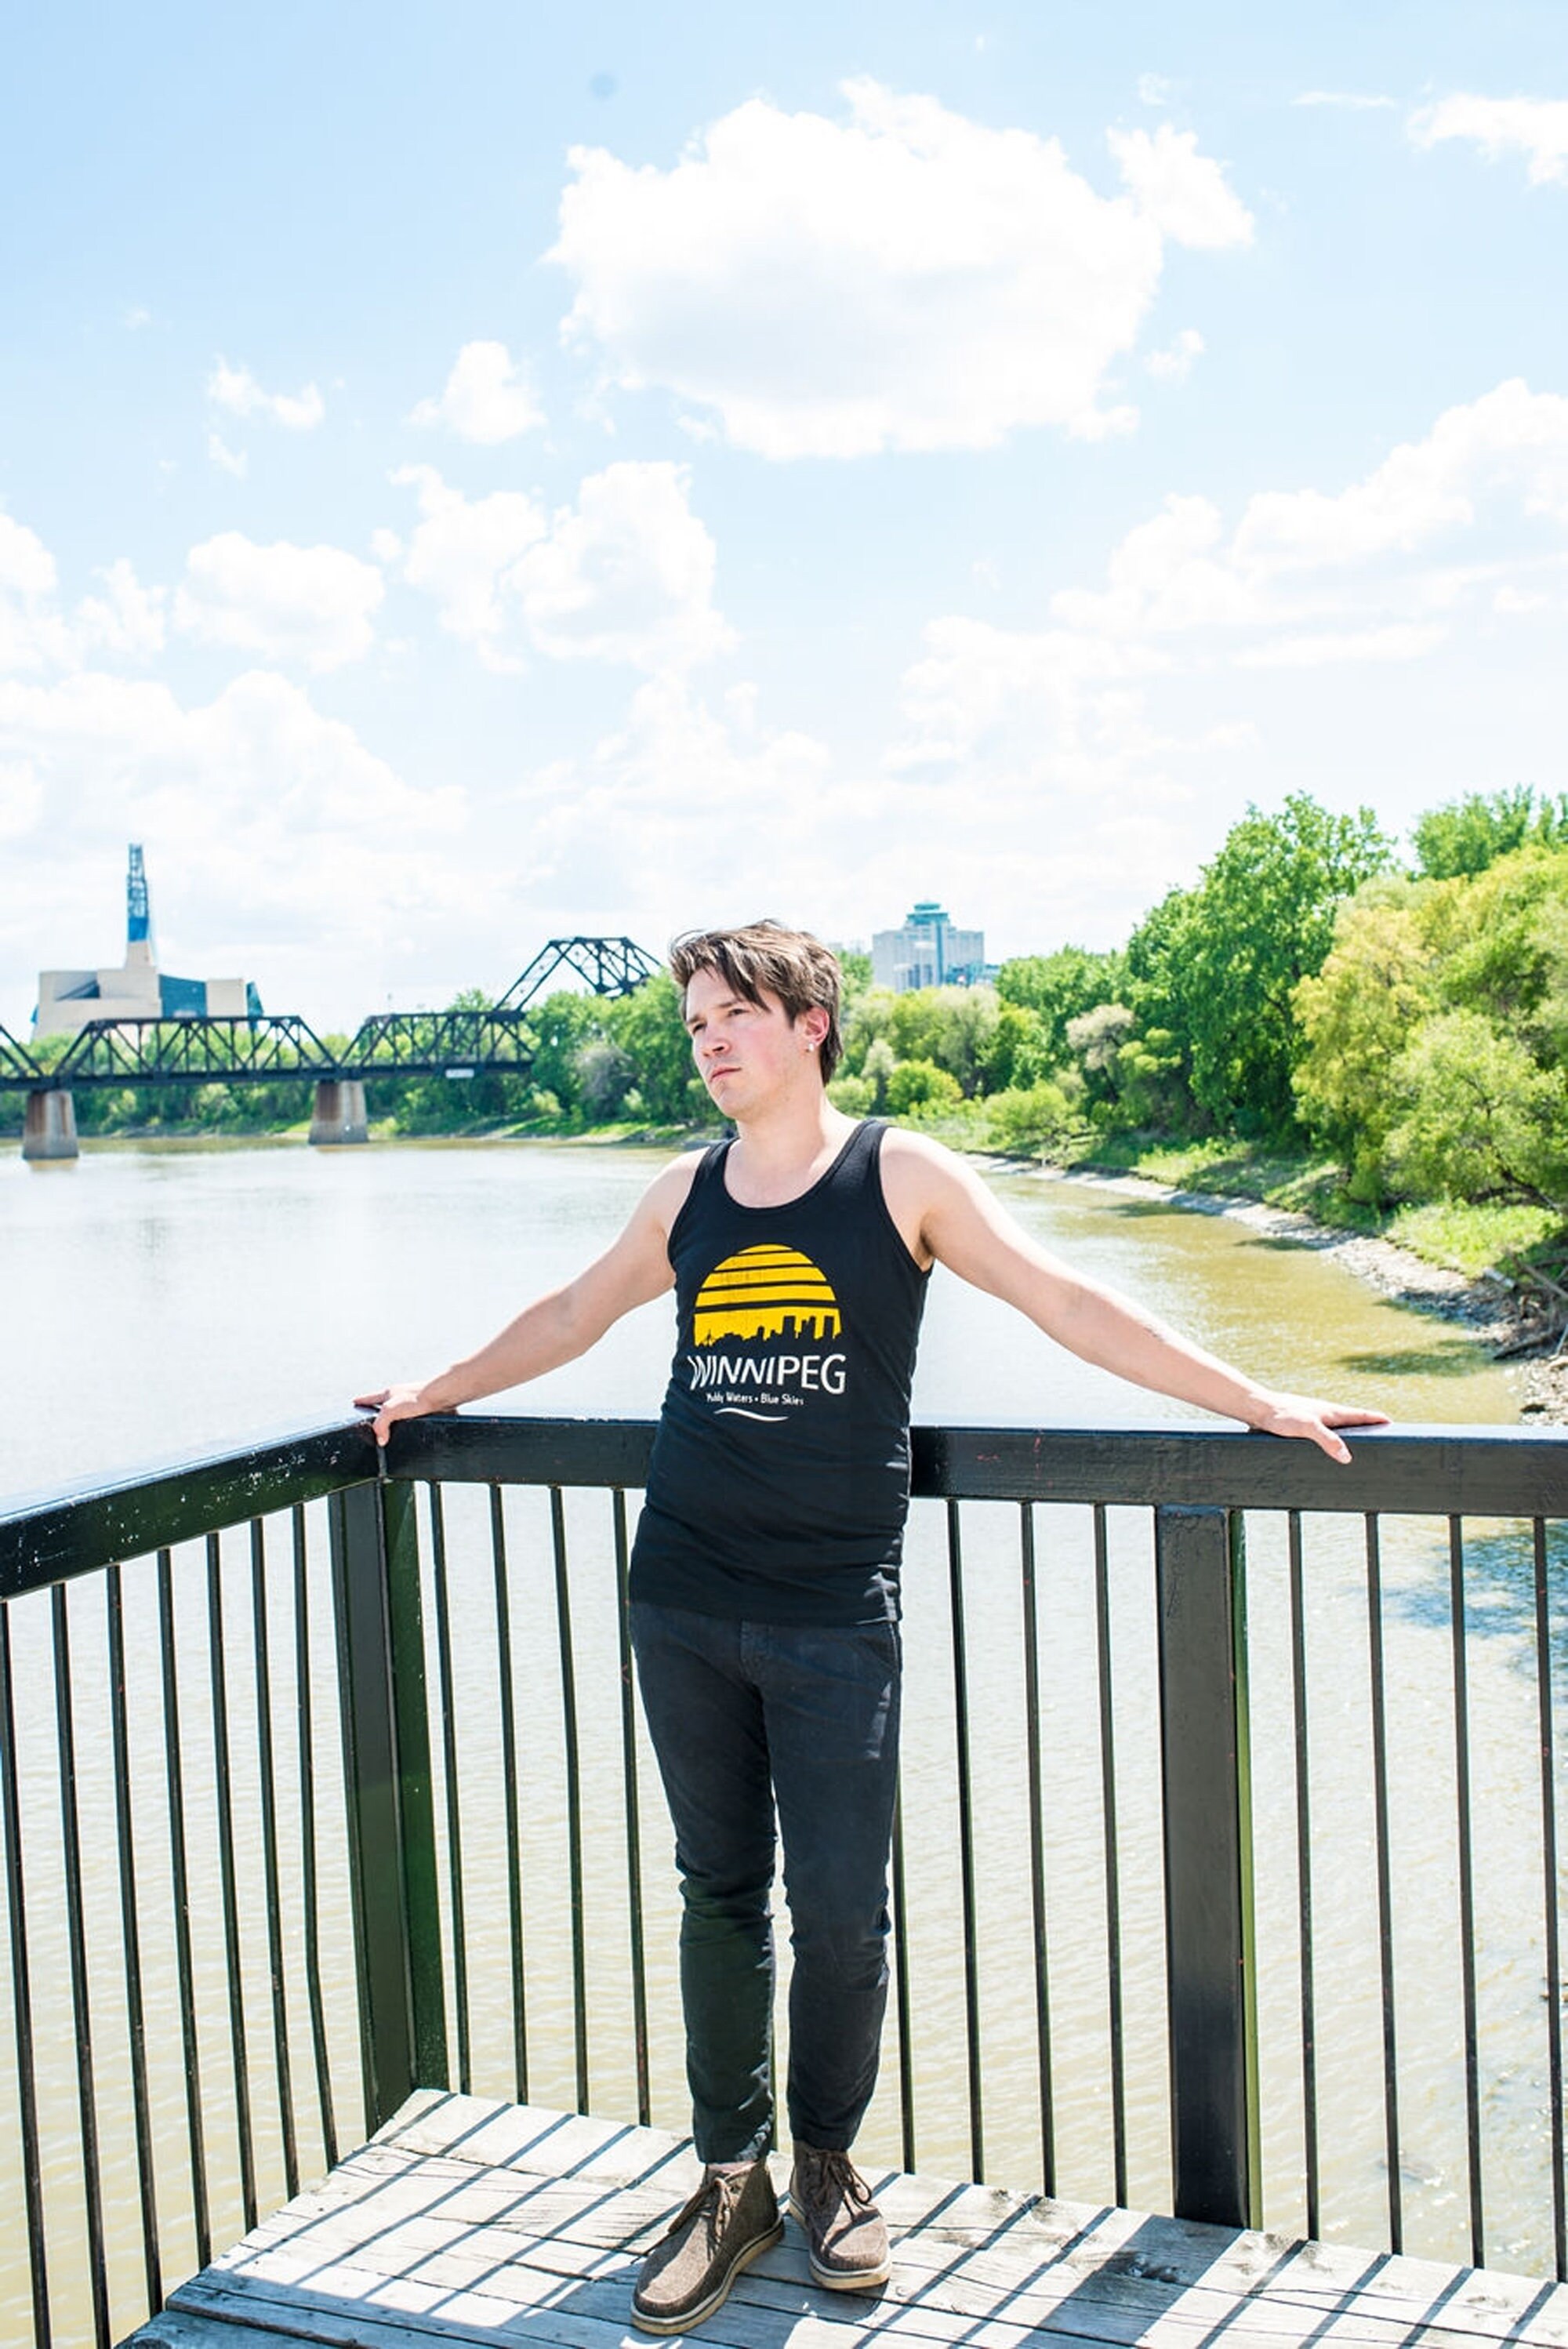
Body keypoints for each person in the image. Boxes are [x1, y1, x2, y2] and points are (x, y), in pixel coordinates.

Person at [357, 920, 1387, 2334]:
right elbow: (575, 1314)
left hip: (835, 1613)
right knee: (718, 1894)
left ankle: (828, 2166)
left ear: (810, 1023)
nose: (709, 1039)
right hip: (683, 1595)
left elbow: (1067, 1300)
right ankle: (731, 2180)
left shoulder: (898, 1173)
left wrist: (1256, 1402)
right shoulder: (683, 1190)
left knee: (841, 1916)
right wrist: (433, 1386)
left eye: (734, 1014)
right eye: (695, 1022)